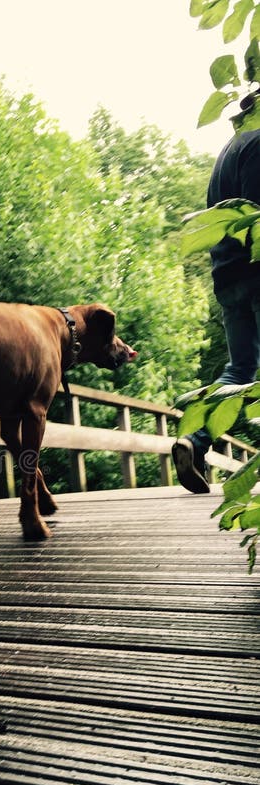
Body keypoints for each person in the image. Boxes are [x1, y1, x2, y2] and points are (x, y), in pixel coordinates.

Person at [172, 90, 260, 494]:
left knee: (240, 369)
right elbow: (254, 216)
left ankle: (194, 440)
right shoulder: (257, 143)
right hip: (255, 270)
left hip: (226, 275)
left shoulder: (228, 149)